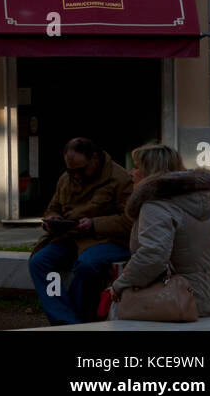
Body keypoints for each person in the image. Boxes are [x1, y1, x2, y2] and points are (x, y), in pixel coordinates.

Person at [27, 137, 133, 325]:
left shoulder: (120, 179)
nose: (76, 176)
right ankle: (65, 321)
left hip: (106, 239)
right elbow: (54, 207)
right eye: (71, 171)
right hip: (71, 237)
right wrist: (53, 219)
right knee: (39, 262)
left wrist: (94, 224)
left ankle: (77, 321)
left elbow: (128, 221)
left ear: (94, 158)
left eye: (81, 170)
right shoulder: (66, 179)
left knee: (87, 265)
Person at [109, 144, 210, 318]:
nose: (131, 173)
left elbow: (152, 255)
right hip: (207, 294)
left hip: (177, 298)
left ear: (150, 170)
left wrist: (119, 284)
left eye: (136, 167)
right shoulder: (194, 198)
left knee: (115, 311)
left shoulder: (157, 203)